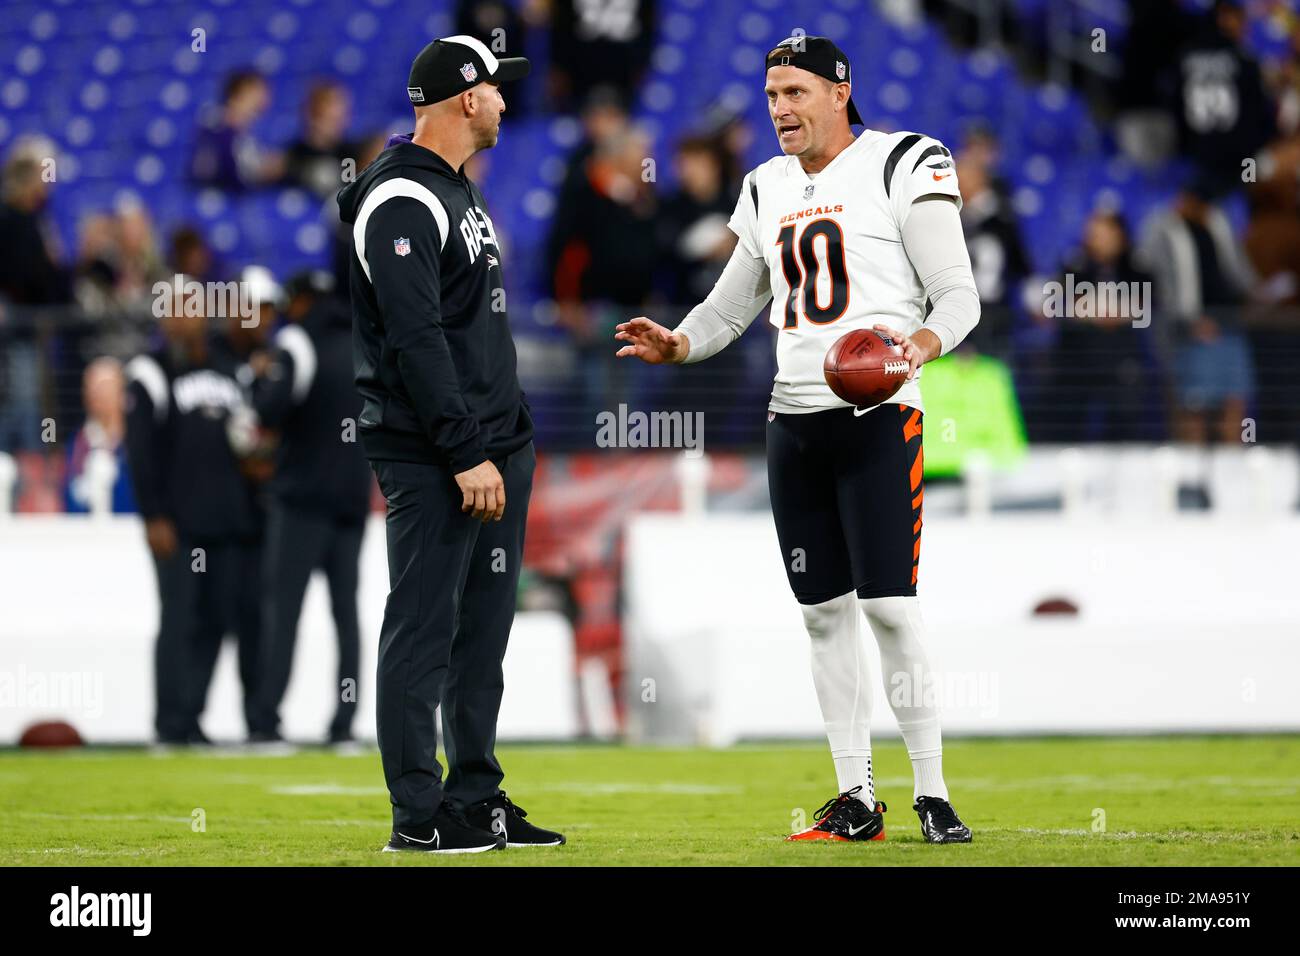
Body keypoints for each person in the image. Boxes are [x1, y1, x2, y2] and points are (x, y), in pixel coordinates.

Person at [615, 36, 980, 845]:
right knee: (822, 616)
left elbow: (958, 294)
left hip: (878, 414)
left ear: (840, 90)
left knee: (887, 604)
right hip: (795, 420)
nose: (780, 108)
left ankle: (933, 791)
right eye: (771, 93)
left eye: (795, 91)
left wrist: (915, 348)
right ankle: (856, 796)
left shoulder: (903, 162)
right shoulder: (764, 185)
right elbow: (728, 308)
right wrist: (677, 342)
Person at [337, 35, 563, 853]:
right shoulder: (402, 197)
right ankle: (417, 816)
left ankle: (476, 797)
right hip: (438, 452)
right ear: (467, 97)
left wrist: (503, 441)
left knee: (482, 635)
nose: (506, 100)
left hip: (494, 444)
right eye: (498, 88)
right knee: (424, 627)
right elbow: (416, 337)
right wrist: (466, 450)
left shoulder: (453, 191)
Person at [123, 282, 265, 744]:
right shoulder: (150, 371)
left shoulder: (231, 369)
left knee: (217, 622)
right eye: (176, 309)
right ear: (163, 317)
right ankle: (170, 722)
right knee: (179, 620)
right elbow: (140, 451)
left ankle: (192, 718)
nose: (185, 317)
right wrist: (153, 516)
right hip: (178, 525)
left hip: (229, 524)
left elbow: (251, 438)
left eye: (193, 308)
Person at [246, 271, 372, 744]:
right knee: (346, 615)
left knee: (283, 613)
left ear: (298, 302)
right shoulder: (363, 340)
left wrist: (257, 380)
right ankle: (344, 721)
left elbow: (268, 410)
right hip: (351, 499)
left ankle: (265, 719)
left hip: (301, 500)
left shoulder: (296, 341)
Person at [64, 357, 137, 514]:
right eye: (90, 386)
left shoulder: (136, 440)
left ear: (121, 392)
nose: (95, 392)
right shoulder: (78, 443)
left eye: (103, 386)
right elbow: (68, 495)